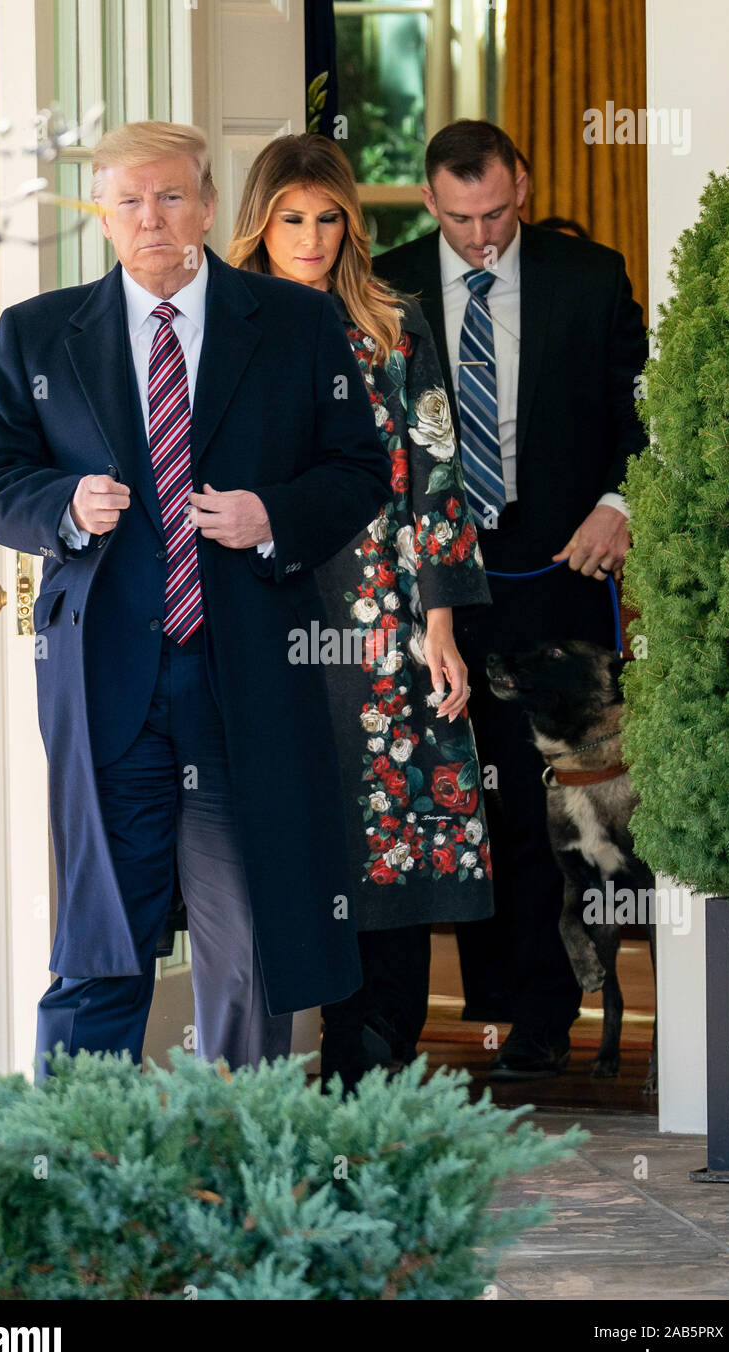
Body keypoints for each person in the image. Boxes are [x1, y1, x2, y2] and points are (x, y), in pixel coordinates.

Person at [0, 120, 392, 1079]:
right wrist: (61, 505)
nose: (150, 219)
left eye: (169, 198)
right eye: (127, 201)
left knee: (249, 943)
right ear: (101, 218)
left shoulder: (293, 324)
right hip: (110, 685)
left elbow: (359, 472)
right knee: (100, 937)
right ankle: (73, 1165)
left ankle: (242, 1177)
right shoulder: (36, 333)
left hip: (245, 678)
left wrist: (270, 514)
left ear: (203, 205)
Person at [374, 119, 648, 1081]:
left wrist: (617, 506)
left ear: (521, 185)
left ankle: (540, 1017)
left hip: (555, 572)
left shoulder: (591, 275)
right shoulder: (383, 280)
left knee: (540, 807)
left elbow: (639, 411)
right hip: (426, 581)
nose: (480, 237)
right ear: (427, 203)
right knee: (445, 795)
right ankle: (443, 1013)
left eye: (494, 212)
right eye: (457, 220)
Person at [223, 134, 494, 1091]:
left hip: (381, 615)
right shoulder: (219, 324)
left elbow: (436, 477)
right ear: (260, 220)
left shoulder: (395, 324)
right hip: (259, 603)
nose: (309, 237)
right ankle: (257, 1078)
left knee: (393, 839)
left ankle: (374, 1073)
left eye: (326, 217)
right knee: (284, 839)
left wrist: (441, 623)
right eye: (290, 218)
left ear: (350, 222)